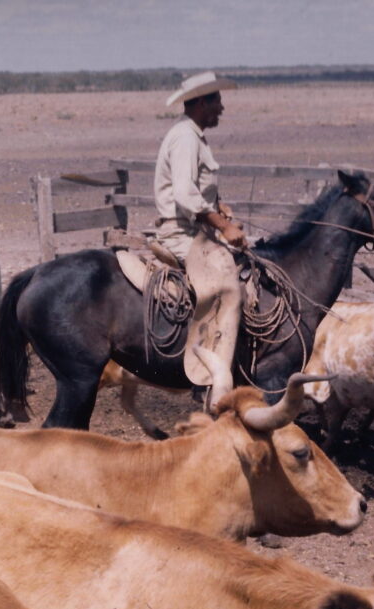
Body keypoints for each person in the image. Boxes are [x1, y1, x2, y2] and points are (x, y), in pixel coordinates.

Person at [154, 71, 246, 388]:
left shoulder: (192, 135)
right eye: (217, 100)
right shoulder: (185, 137)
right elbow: (184, 193)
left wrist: (219, 208)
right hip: (180, 233)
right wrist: (223, 225)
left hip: (194, 229)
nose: (222, 107)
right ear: (202, 103)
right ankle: (208, 372)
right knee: (227, 285)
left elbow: (195, 188)